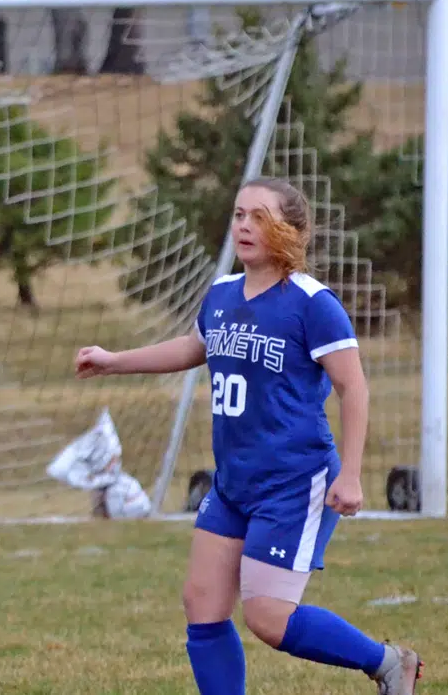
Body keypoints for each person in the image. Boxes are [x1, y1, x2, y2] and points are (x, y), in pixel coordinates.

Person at [75, 177, 422, 695]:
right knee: (203, 603)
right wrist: (113, 361)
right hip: (234, 480)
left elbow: (354, 388)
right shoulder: (220, 294)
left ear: (290, 230)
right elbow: (192, 348)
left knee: (268, 617)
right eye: (239, 214)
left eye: (259, 216)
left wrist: (350, 476)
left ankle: (389, 663)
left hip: (294, 482)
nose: (243, 225)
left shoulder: (311, 303)